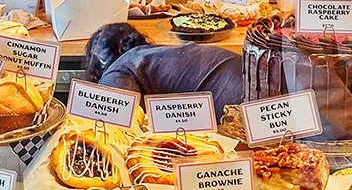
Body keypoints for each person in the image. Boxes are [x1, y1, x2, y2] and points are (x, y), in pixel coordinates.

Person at [85, 22, 243, 123]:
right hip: (257, 85)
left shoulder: (120, 71)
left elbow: (118, 129)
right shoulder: (149, 58)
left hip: (242, 107)